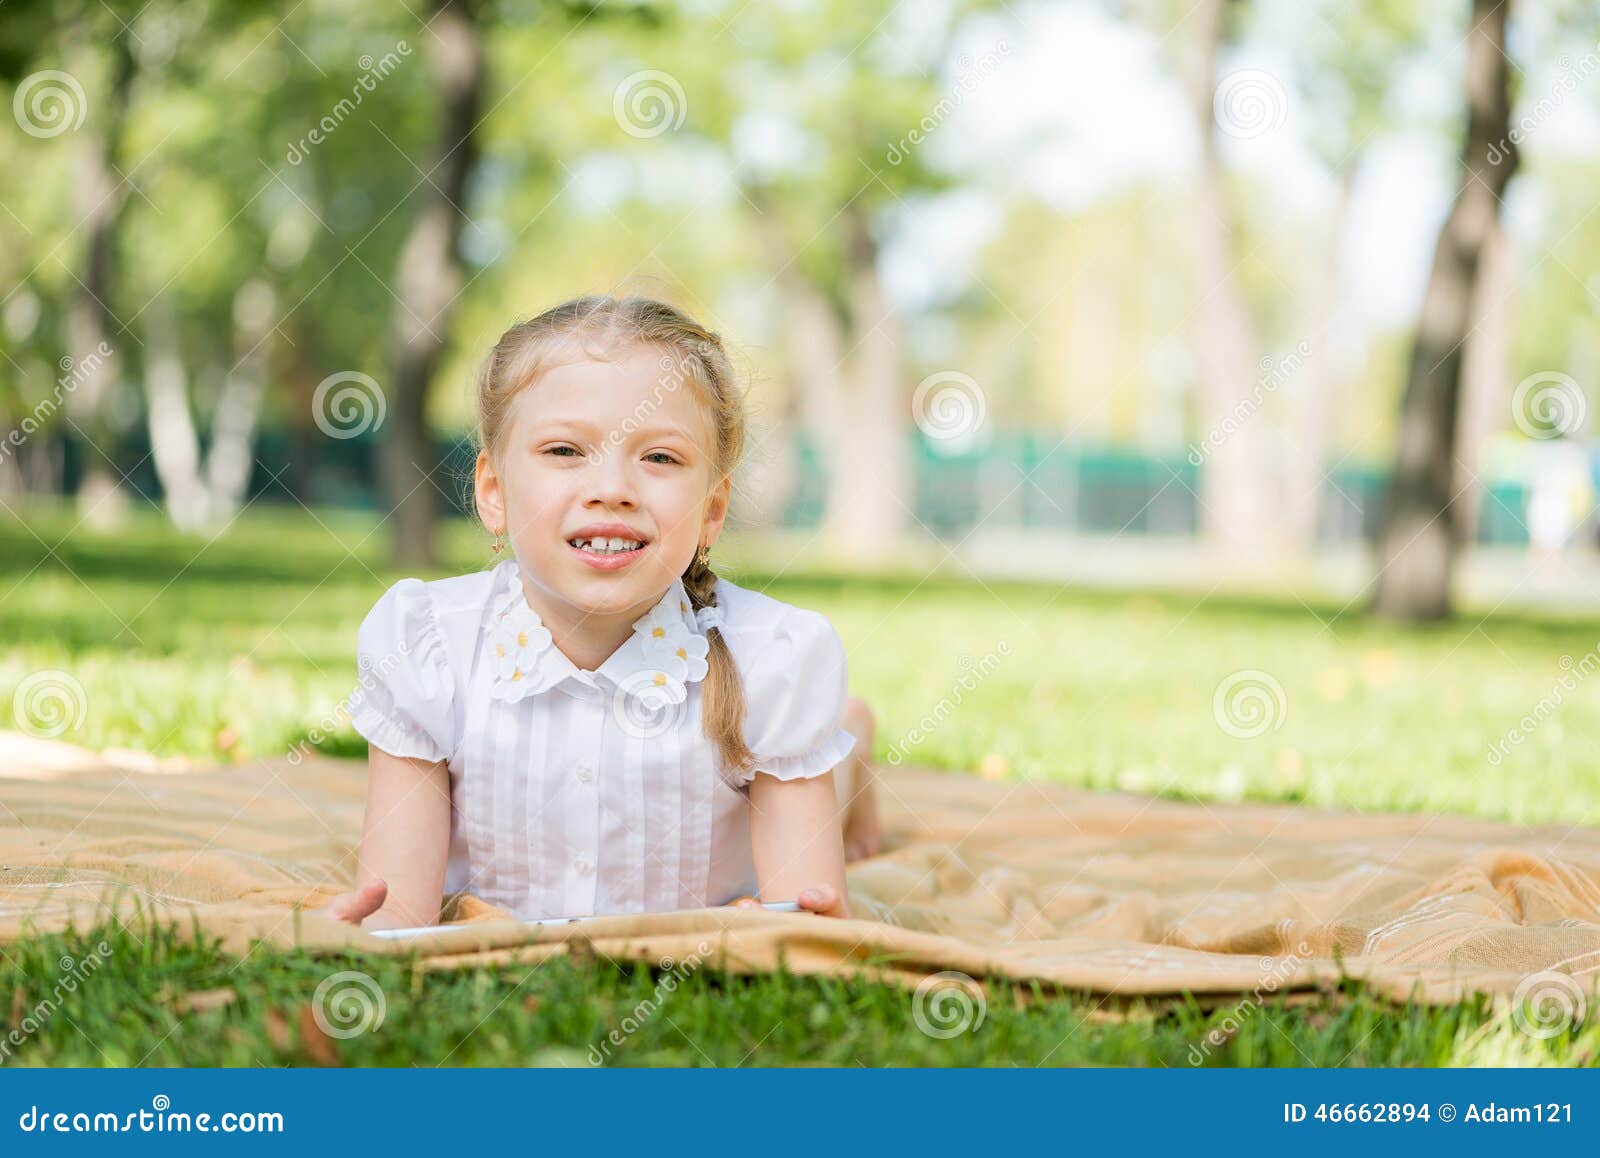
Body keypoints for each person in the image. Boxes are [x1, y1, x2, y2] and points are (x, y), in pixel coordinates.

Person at [324, 296, 880, 930]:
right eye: (564, 450)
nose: (612, 488)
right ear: (495, 494)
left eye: (660, 458)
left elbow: (807, 926)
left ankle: (847, 741)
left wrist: (795, 916)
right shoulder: (429, 648)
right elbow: (394, 920)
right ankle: (849, 732)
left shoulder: (771, 661)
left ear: (712, 511)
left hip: (766, 786)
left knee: (823, 782)